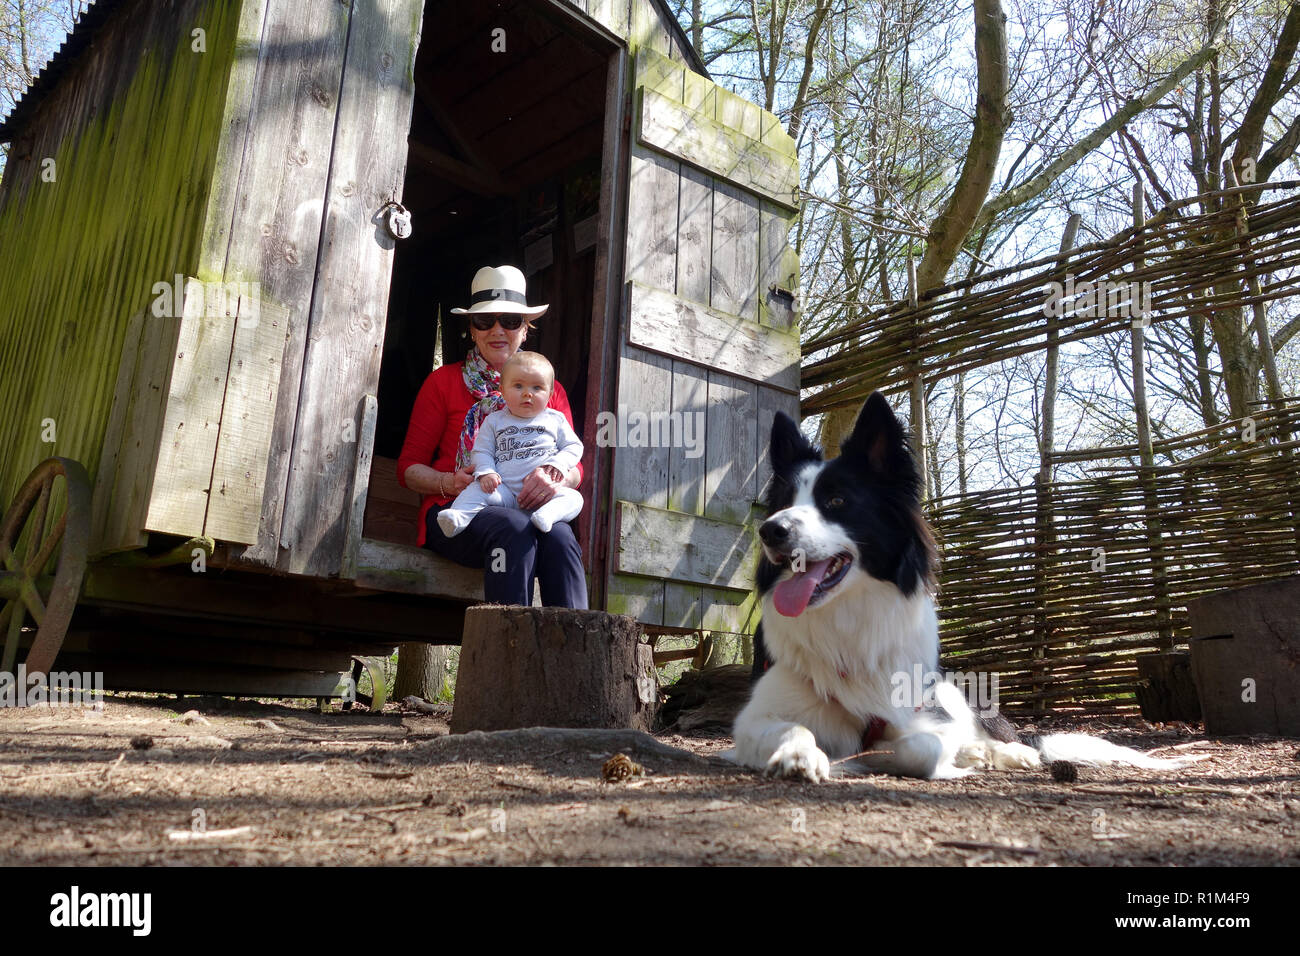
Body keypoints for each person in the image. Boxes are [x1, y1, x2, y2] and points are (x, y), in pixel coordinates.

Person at [396, 265, 587, 608]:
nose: (498, 330)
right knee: (512, 526)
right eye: (485, 321)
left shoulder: (549, 389)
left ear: (526, 330)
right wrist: (450, 483)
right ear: (471, 329)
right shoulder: (443, 383)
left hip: (532, 509)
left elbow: (576, 466)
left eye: (511, 321)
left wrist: (553, 477)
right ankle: (511, 642)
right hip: (459, 512)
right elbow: (408, 469)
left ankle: (577, 646)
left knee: (560, 536)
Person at [437, 350, 584, 537]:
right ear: (503, 390)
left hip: (542, 496)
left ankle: (547, 516)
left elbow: (574, 447)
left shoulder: (555, 419)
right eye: (518, 386)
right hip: (503, 490)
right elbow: (482, 451)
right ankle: (457, 517)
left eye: (537, 388)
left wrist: (558, 464)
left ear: (550, 393)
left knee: (574, 499)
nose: (527, 394)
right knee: (475, 490)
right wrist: (486, 471)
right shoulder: (494, 421)